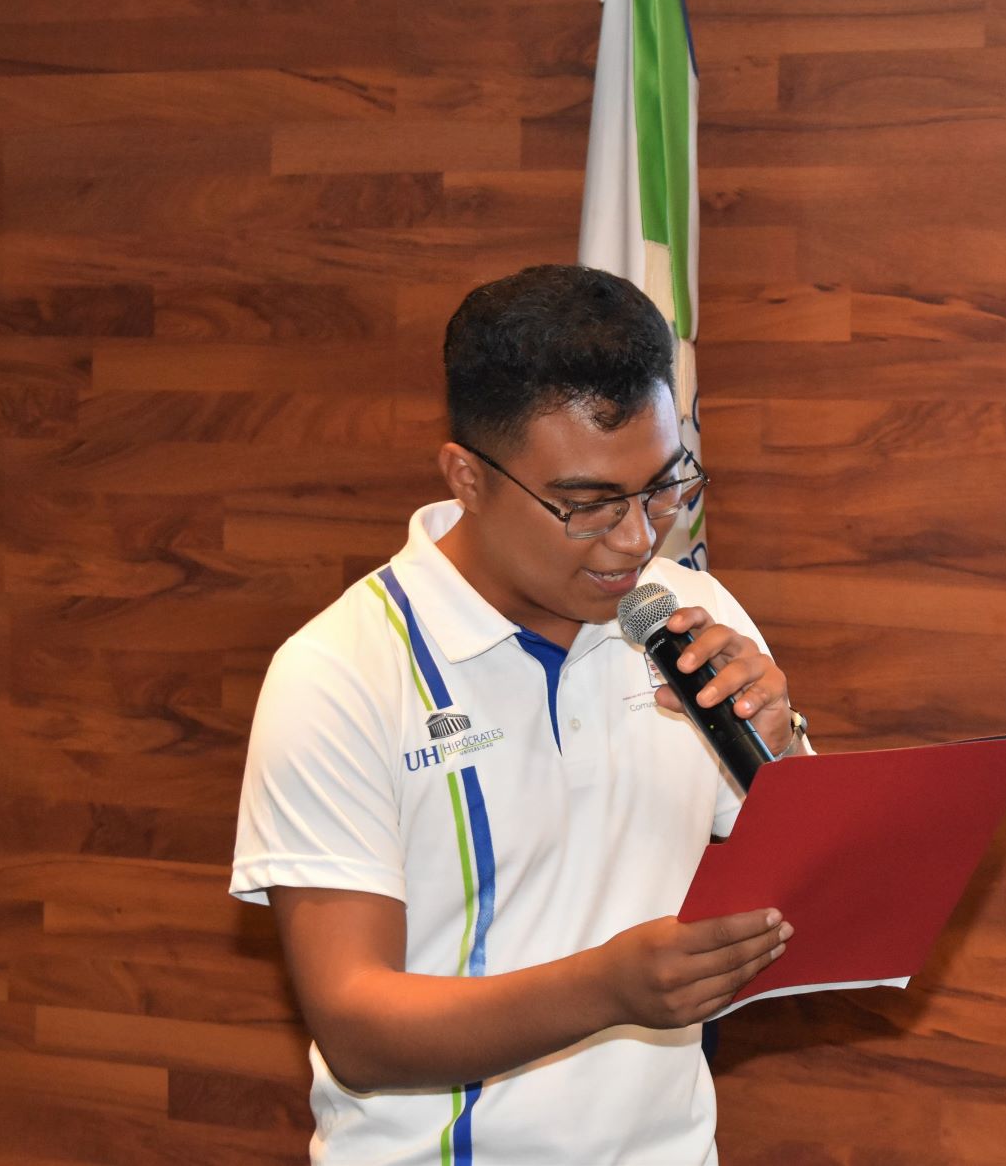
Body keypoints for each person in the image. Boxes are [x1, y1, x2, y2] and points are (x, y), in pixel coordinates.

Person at [230, 264, 806, 1166]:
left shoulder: (691, 613)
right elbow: (354, 1023)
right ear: (466, 475)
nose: (636, 538)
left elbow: (808, 891)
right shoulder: (340, 673)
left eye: (663, 487)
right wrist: (609, 989)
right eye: (586, 506)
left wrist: (778, 754)